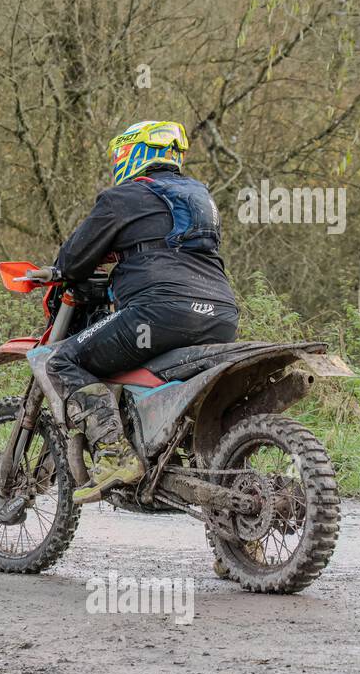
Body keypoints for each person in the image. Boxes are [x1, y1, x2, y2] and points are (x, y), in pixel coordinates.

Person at [27, 120, 238, 504]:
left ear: (131, 154)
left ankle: (115, 456)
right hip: (220, 316)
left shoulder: (123, 197)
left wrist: (61, 271)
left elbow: (74, 258)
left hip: (158, 315)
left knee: (61, 361)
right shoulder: (200, 197)